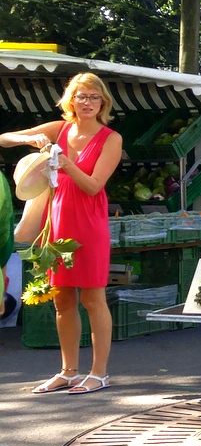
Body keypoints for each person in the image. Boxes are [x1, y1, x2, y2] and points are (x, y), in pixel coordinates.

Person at [2, 73, 124, 394]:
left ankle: (98, 373)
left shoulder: (111, 138)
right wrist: (31, 141)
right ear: (70, 100)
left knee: (93, 299)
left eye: (93, 97)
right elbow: (4, 137)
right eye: (80, 96)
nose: (86, 103)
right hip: (57, 225)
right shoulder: (61, 128)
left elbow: (94, 185)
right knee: (62, 301)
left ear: (103, 102)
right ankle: (68, 371)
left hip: (89, 224)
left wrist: (65, 163)